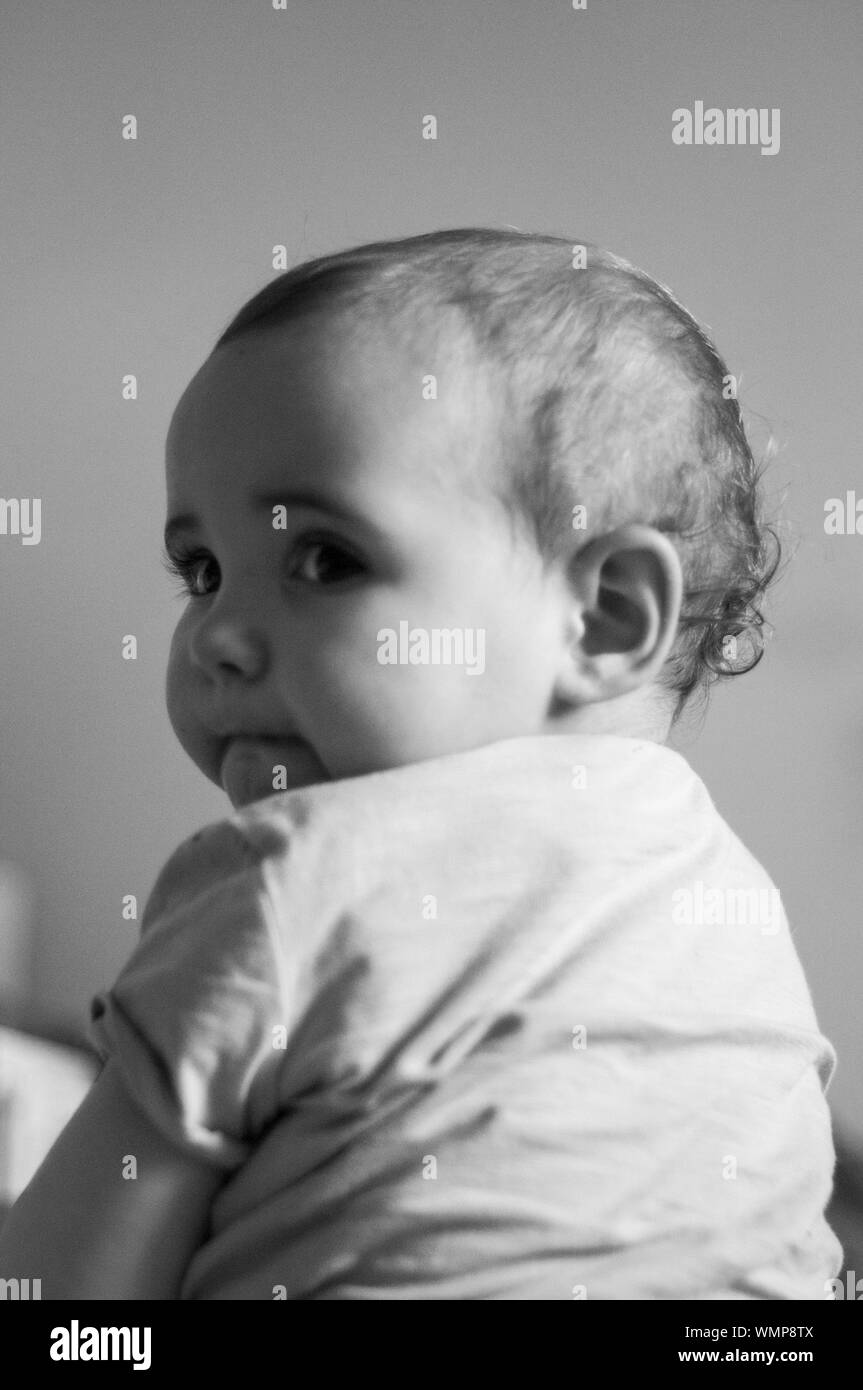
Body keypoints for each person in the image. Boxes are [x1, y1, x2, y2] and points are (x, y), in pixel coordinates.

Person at [0, 229, 842, 1299]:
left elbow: (66, 1300)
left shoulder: (284, 874)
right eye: (202, 569)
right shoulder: (735, 908)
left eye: (322, 557)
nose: (216, 632)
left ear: (604, 615)